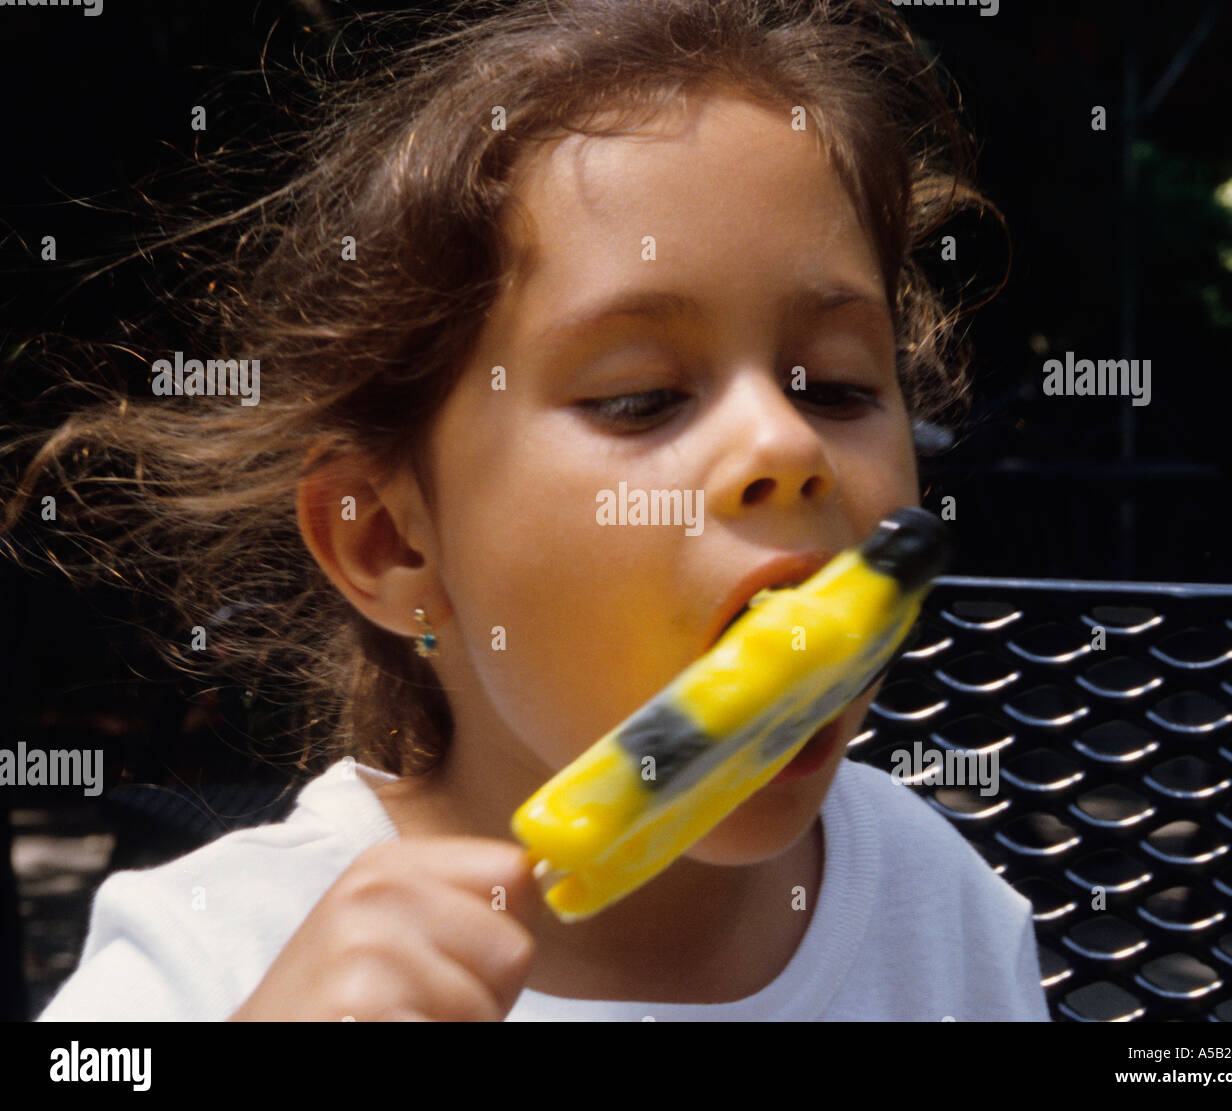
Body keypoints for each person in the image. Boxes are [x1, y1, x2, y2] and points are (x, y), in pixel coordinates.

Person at [8, 0, 1046, 1020]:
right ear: (390, 539)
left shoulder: (939, 907)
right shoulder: (220, 955)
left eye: (834, 385)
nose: (786, 444)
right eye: (641, 398)